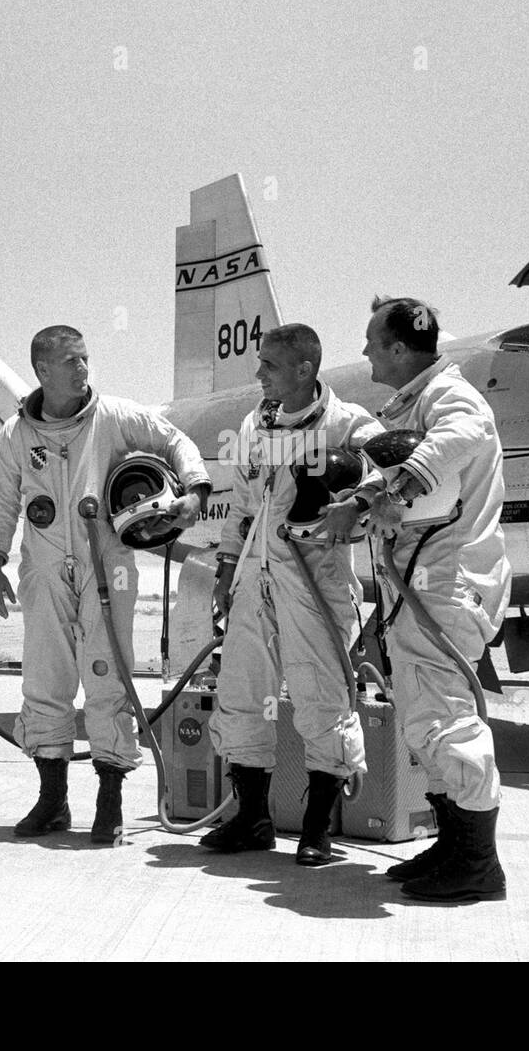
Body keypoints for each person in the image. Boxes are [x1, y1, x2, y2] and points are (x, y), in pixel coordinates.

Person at [0, 325, 210, 845]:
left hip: (107, 562)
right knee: (45, 679)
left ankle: (110, 802)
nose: (83, 369)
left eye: (85, 359)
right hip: (42, 566)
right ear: (42, 370)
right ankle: (53, 800)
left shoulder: (113, 417)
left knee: (108, 676)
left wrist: (193, 491)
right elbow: (1, 503)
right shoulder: (16, 434)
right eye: (71, 361)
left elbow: (175, 441)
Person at [323, 296, 512, 901]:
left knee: (447, 721)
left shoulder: (452, 397)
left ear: (400, 350)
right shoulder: (415, 402)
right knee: (422, 716)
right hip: (420, 586)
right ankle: (454, 845)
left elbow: (464, 435)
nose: (364, 353)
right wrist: (367, 494)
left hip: (448, 583)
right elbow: (397, 471)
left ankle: (479, 864)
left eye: (372, 343)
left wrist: (385, 491)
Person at [203, 323, 383, 865]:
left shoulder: (349, 423)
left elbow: (389, 477)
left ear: (305, 370)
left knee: (321, 697)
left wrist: (352, 483)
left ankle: (316, 832)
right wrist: (225, 571)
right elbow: (239, 507)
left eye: (270, 366)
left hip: (317, 578)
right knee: (240, 690)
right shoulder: (252, 427)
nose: (258, 375)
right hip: (255, 575)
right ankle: (253, 819)